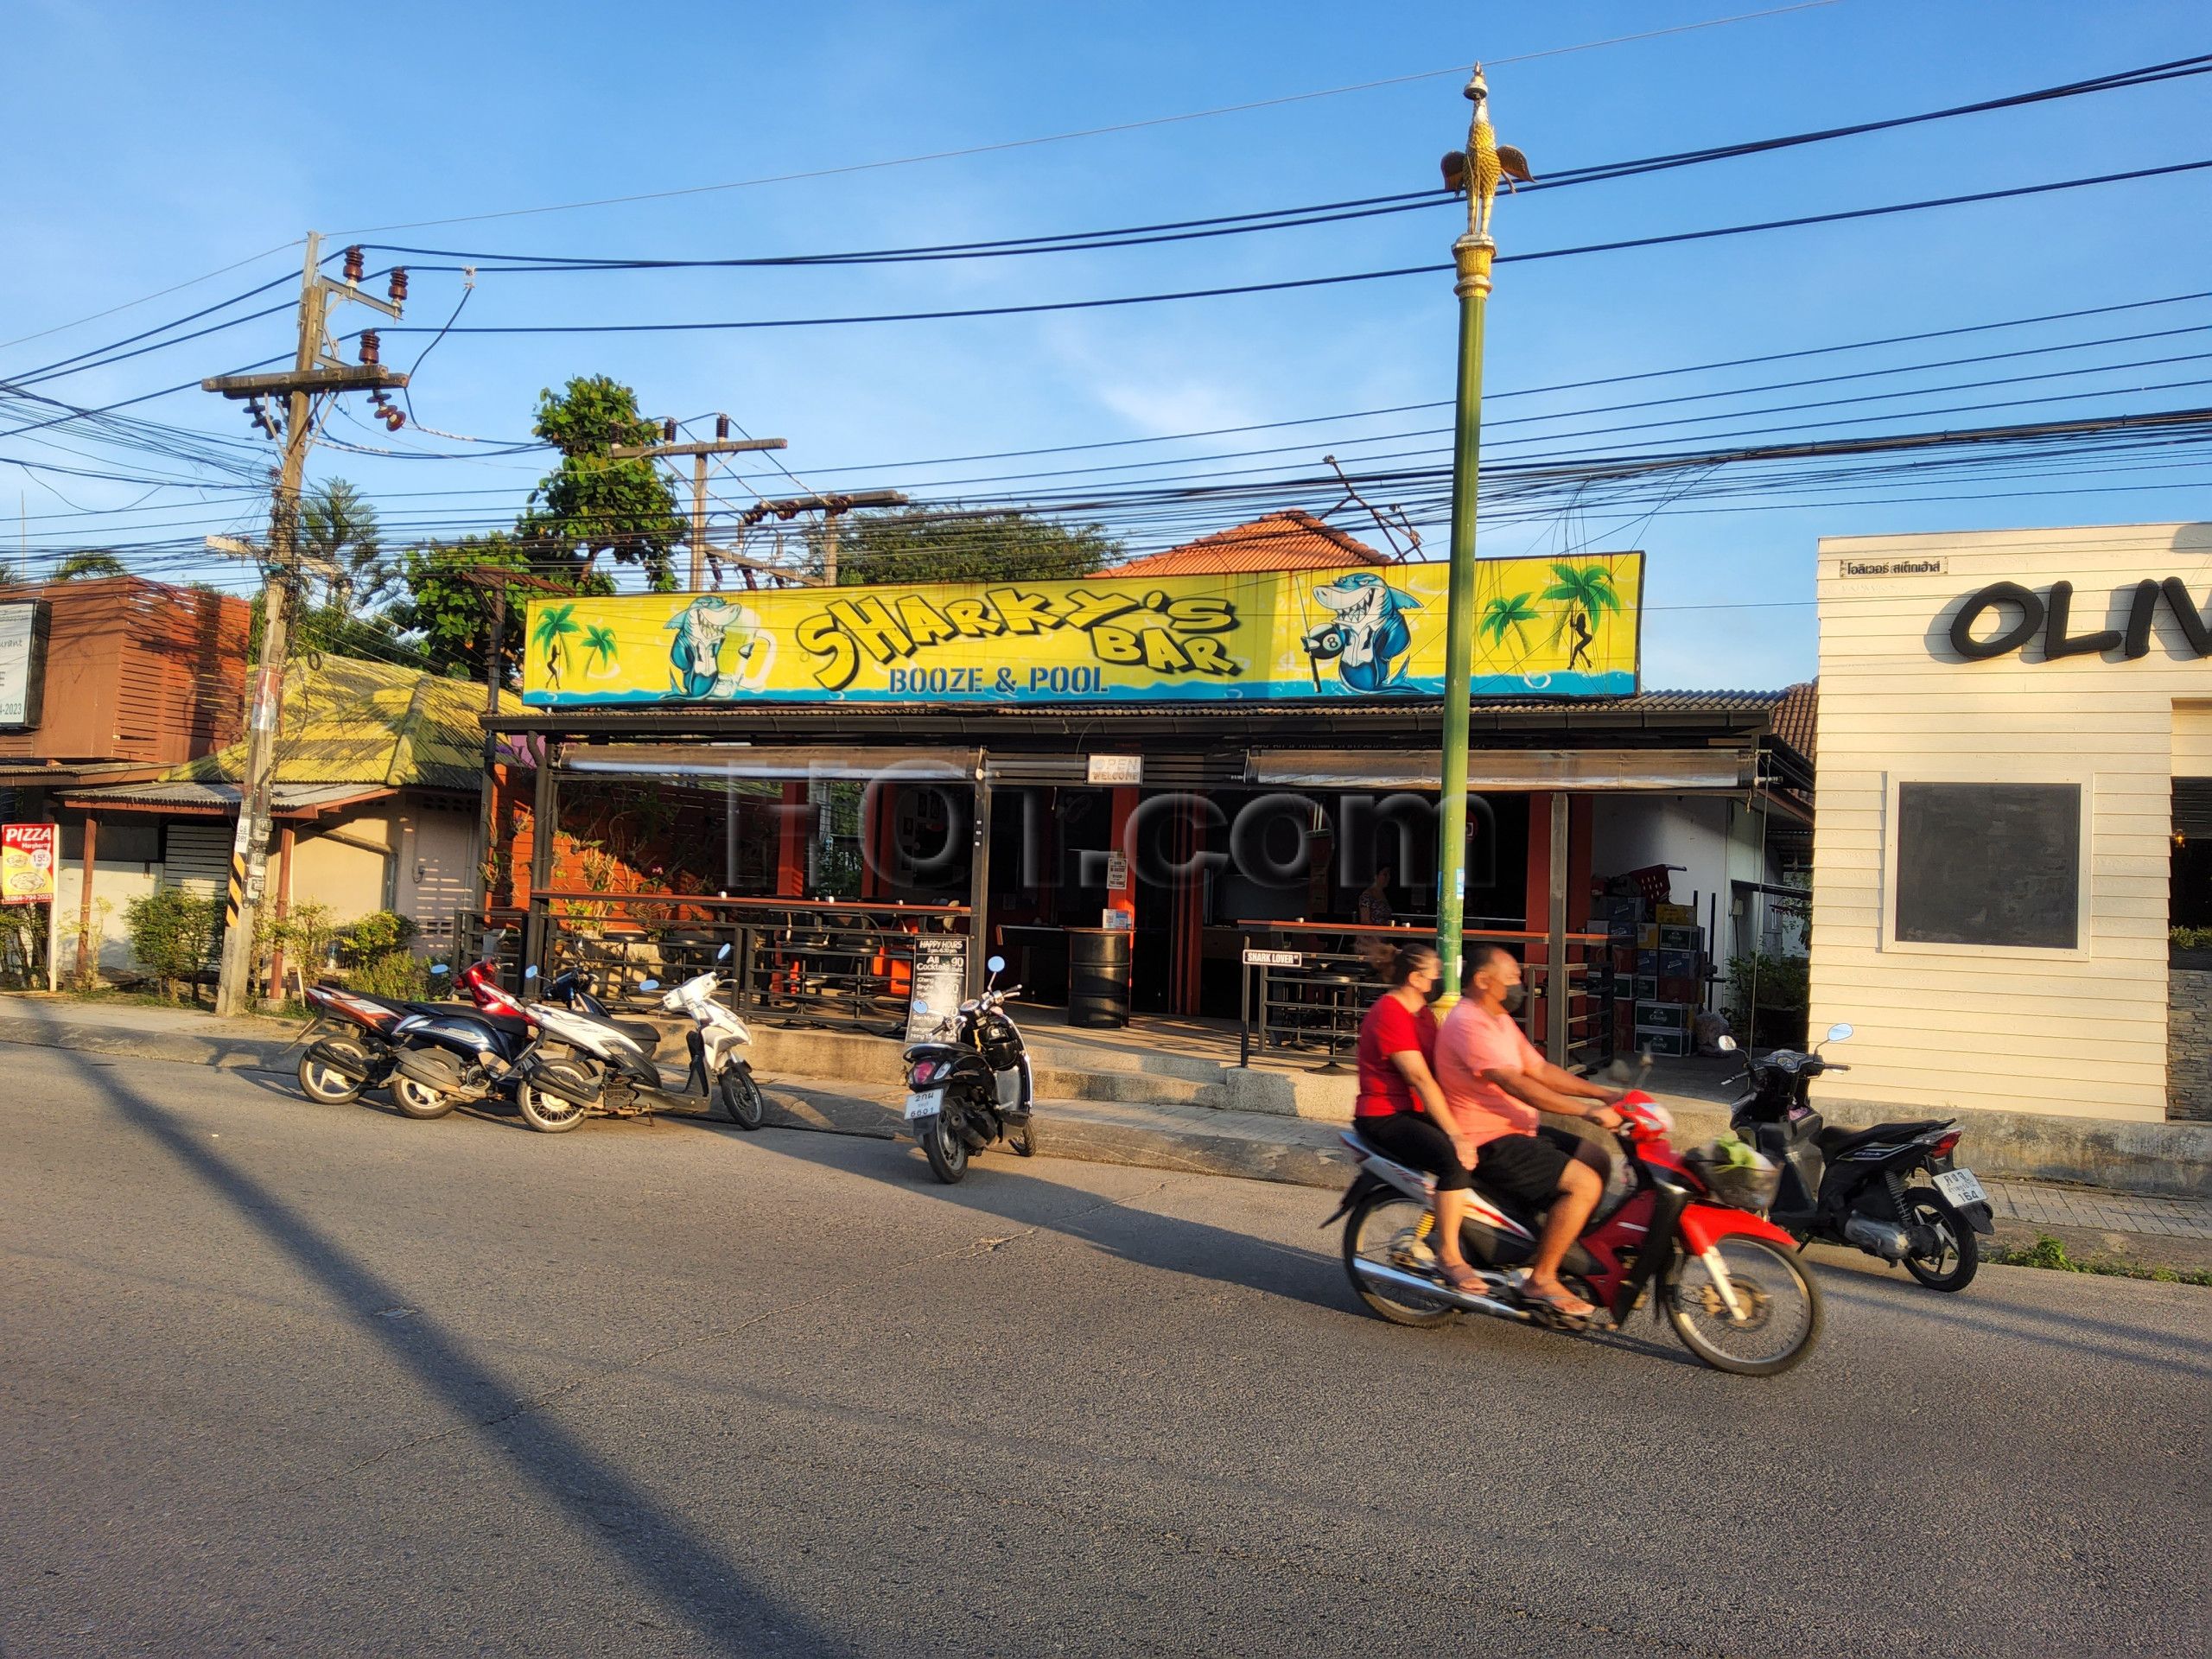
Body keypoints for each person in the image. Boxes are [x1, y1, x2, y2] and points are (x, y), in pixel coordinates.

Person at [1434, 943, 1626, 1321]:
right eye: (1511, 979)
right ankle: (1541, 1277)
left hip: (1519, 1129)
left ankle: (1558, 1243)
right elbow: (1517, 1084)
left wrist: (1607, 1094)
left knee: (1597, 1157)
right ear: (1482, 981)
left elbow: (1539, 1071)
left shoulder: (1499, 1018)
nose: (1520, 986)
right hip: (1489, 1140)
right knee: (1584, 1184)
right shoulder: (1469, 1023)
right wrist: (1589, 1112)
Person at [1351, 943, 1484, 1294]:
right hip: (1384, 1116)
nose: (1440, 980)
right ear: (1415, 978)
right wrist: (1455, 1134)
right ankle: (1449, 1255)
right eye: (1434, 975)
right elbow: (1421, 1078)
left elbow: (1442, 1066)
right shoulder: (1390, 1014)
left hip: (1413, 1112)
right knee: (1453, 1161)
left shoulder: (1422, 1013)